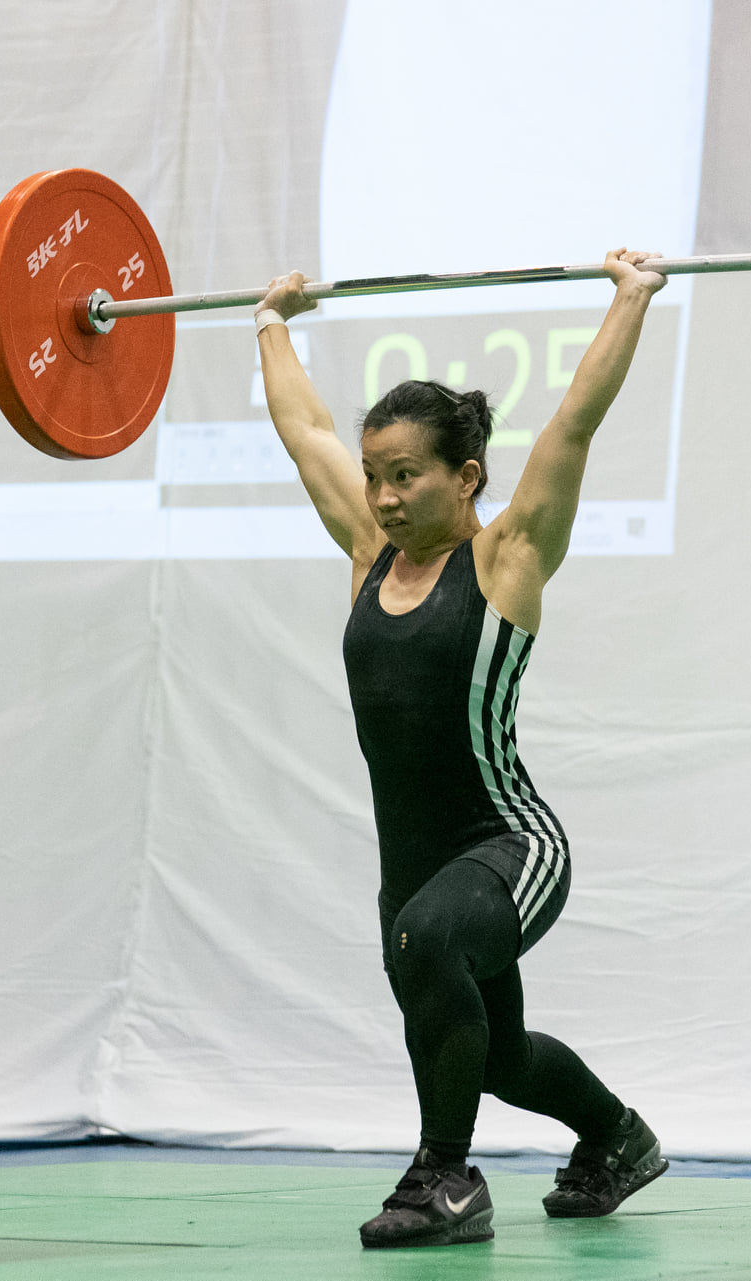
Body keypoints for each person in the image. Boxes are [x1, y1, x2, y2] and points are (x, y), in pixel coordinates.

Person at [253, 250, 671, 1249]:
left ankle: (445, 1180)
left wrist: (632, 297)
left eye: (407, 477)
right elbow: (306, 431)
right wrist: (273, 323)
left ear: (466, 475)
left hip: (511, 846)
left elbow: (573, 419)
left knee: (431, 942)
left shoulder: (506, 557)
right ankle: (618, 1138)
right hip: (417, 872)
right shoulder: (368, 556)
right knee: (495, 1054)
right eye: (377, 478)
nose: (386, 497)